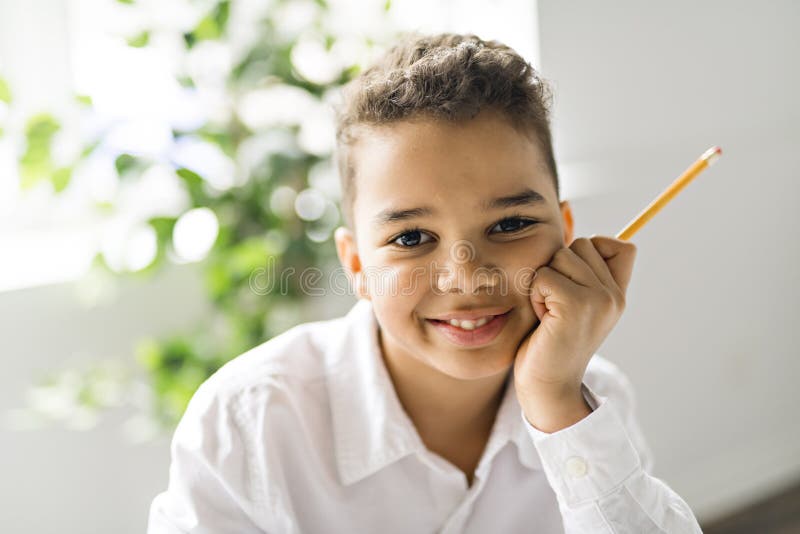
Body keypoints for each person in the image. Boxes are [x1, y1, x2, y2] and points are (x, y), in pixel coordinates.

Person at [147, 32, 703, 533]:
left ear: (566, 232)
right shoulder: (247, 425)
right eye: (412, 238)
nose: (465, 277)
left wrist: (558, 405)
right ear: (358, 265)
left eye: (510, 225)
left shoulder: (592, 403)